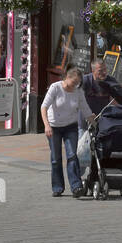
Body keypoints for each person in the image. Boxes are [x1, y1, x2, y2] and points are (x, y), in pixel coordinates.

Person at [40, 68, 94, 197]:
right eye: (73, 82)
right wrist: (46, 125)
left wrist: (93, 120)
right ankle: (57, 187)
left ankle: (76, 186)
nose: (75, 85)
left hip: (71, 126)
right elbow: (44, 107)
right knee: (56, 158)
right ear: (67, 78)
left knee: (72, 155)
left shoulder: (78, 92)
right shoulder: (55, 88)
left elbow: (85, 109)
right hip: (54, 127)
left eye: (78, 83)